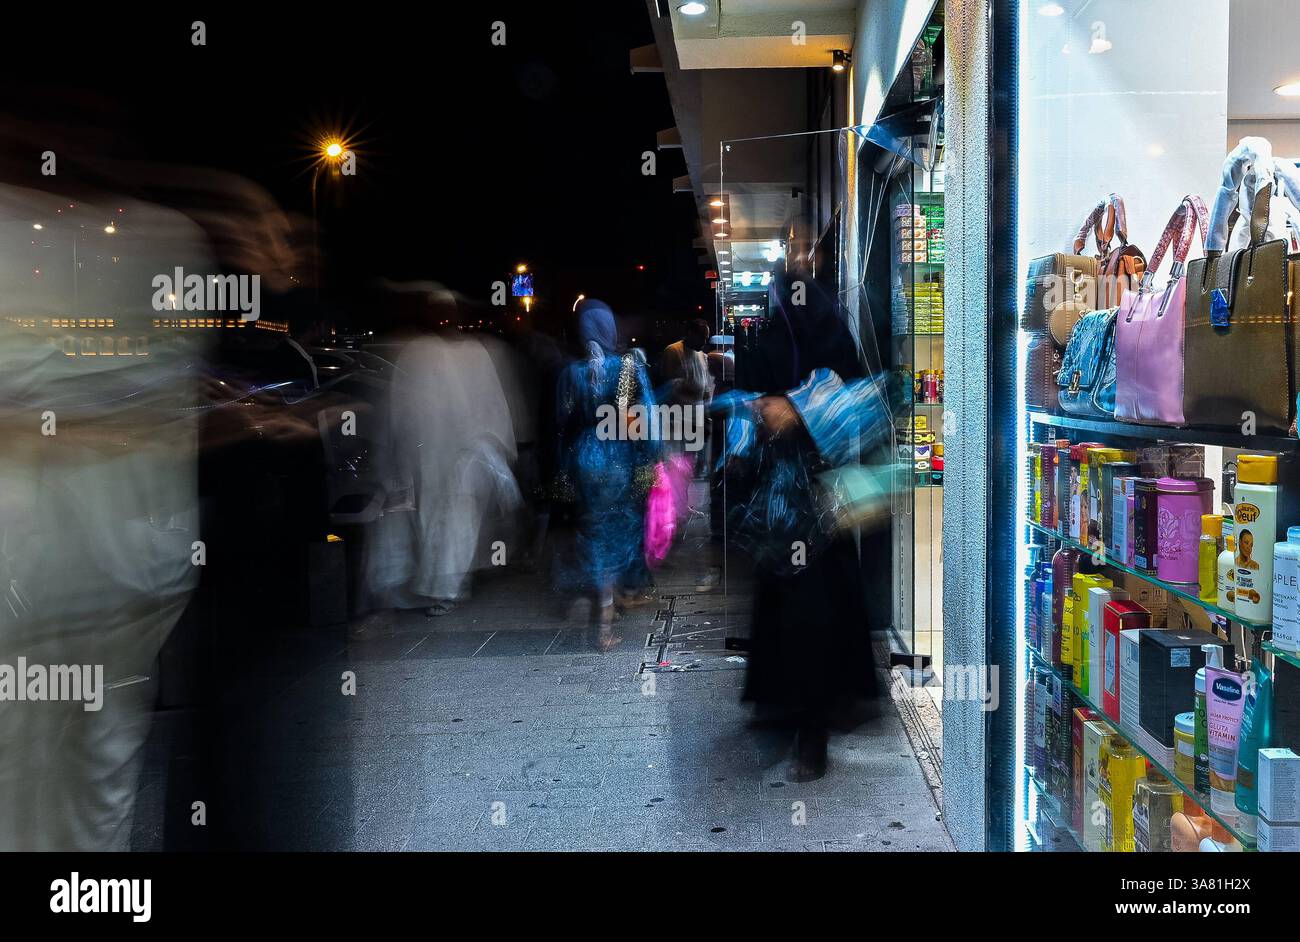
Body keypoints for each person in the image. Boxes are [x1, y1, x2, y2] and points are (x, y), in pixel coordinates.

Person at [734, 270, 888, 782]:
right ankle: (789, 711)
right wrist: (760, 411)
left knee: (812, 615)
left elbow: (860, 405)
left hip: (822, 505)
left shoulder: (824, 344)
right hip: (788, 509)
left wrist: (798, 410)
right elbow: (746, 400)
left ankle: (811, 729)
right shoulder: (801, 337)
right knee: (795, 611)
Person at [553, 299, 659, 648]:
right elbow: (644, 423)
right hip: (619, 458)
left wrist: (565, 469)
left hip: (585, 460)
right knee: (621, 532)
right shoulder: (626, 368)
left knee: (596, 532)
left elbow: (563, 425)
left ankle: (603, 603)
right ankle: (608, 615)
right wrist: (649, 464)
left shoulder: (572, 374)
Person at [659, 319, 714, 477]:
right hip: (678, 418)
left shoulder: (702, 356)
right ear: (690, 333)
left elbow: (705, 388)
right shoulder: (673, 351)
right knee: (676, 464)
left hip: (696, 417)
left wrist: (706, 411)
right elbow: (670, 388)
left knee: (690, 465)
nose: (704, 342)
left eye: (706, 338)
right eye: (702, 337)